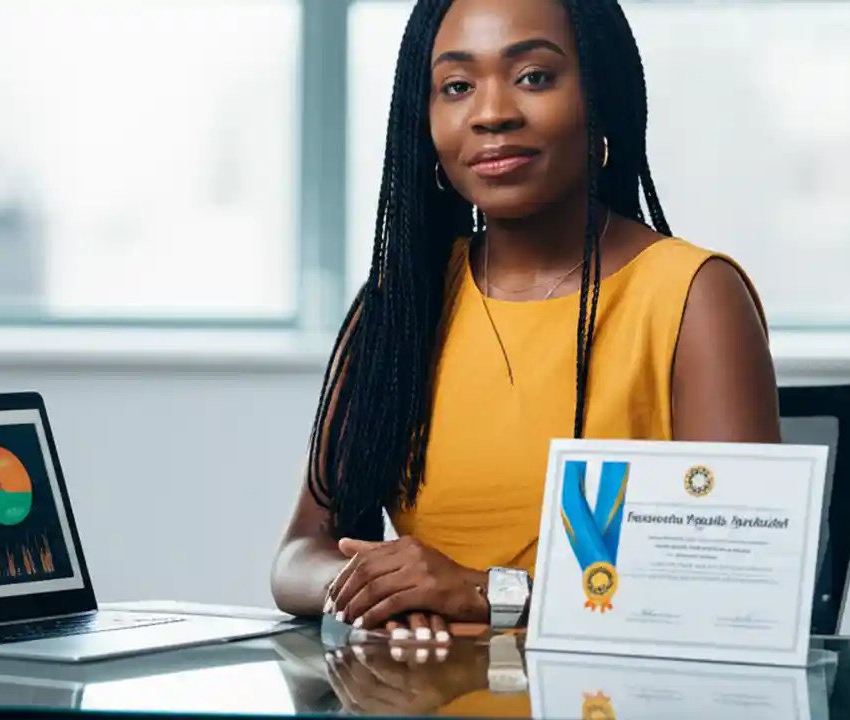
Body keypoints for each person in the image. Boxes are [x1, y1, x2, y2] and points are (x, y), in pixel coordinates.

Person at [270, 0, 779, 638]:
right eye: (456, 86)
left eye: (534, 76)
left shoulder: (694, 295)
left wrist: (488, 594)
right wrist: (379, 589)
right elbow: (298, 557)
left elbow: (745, 582)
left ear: (601, 95)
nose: (492, 113)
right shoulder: (400, 305)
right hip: (425, 697)